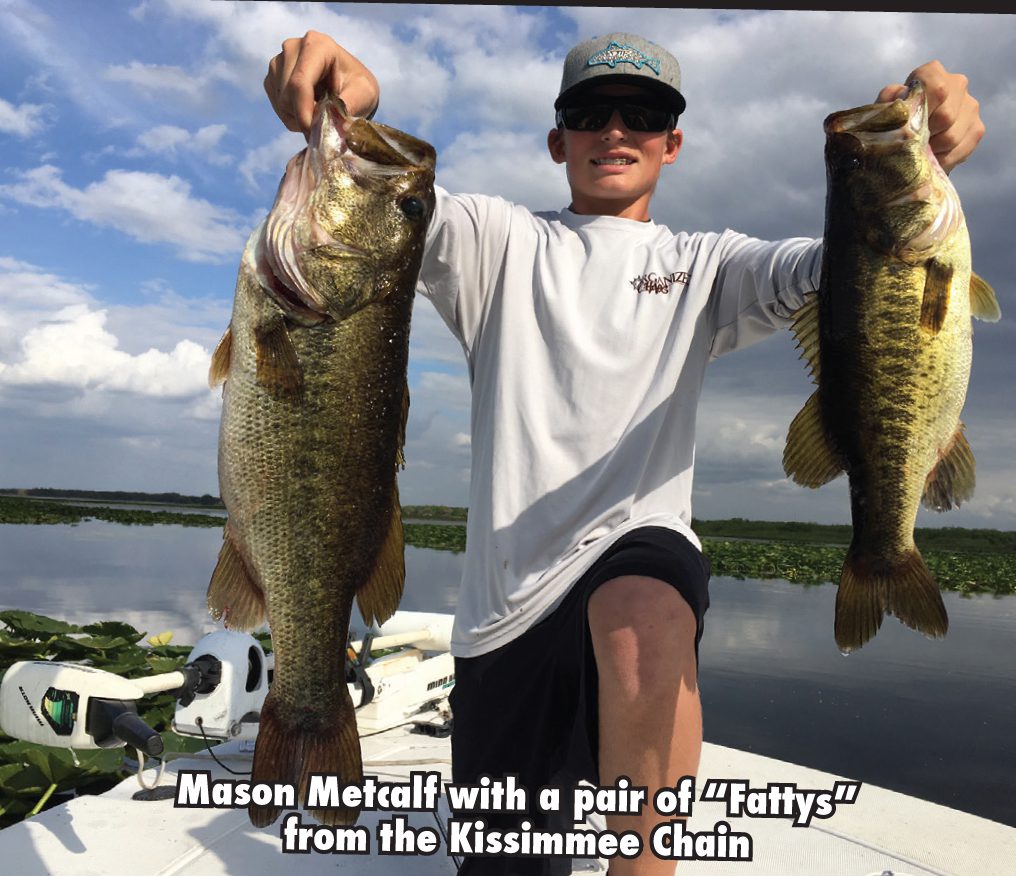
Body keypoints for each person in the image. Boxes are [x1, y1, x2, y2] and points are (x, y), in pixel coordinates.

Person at [263, 29, 984, 876]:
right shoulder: (496, 240)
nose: (615, 130)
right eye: (589, 112)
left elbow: (850, 272)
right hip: (505, 609)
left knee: (646, 613)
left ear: (672, 144)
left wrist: (921, 124)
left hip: (640, 549)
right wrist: (353, 103)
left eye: (642, 114)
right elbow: (381, 204)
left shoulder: (707, 264)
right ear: (556, 140)